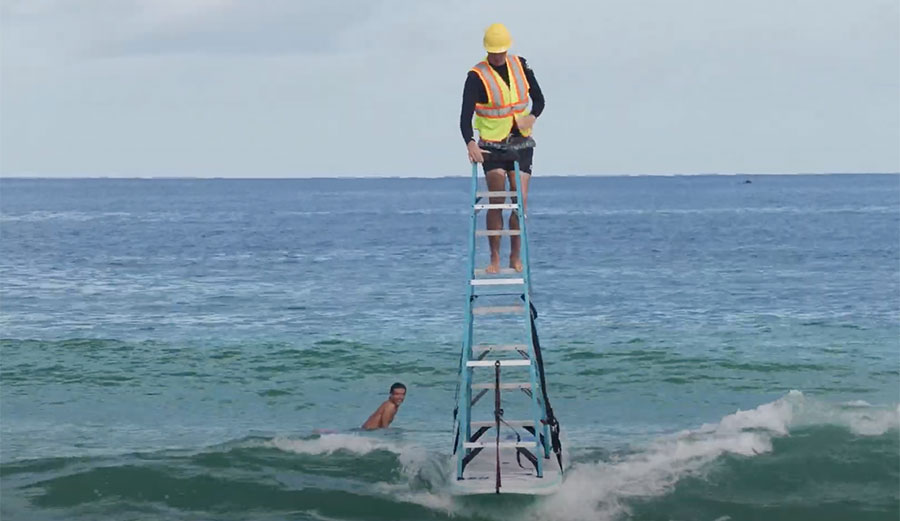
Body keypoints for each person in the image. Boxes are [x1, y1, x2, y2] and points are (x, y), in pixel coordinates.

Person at [460, 23, 545, 274]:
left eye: (501, 52)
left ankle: (515, 257)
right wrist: (470, 143)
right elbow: (464, 117)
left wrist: (532, 117)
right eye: (493, 52)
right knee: (496, 199)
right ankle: (494, 258)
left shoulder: (521, 66)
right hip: (492, 145)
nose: (498, 57)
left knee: (520, 201)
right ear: (487, 51)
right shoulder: (476, 76)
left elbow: (540, 100)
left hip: (521, 142)